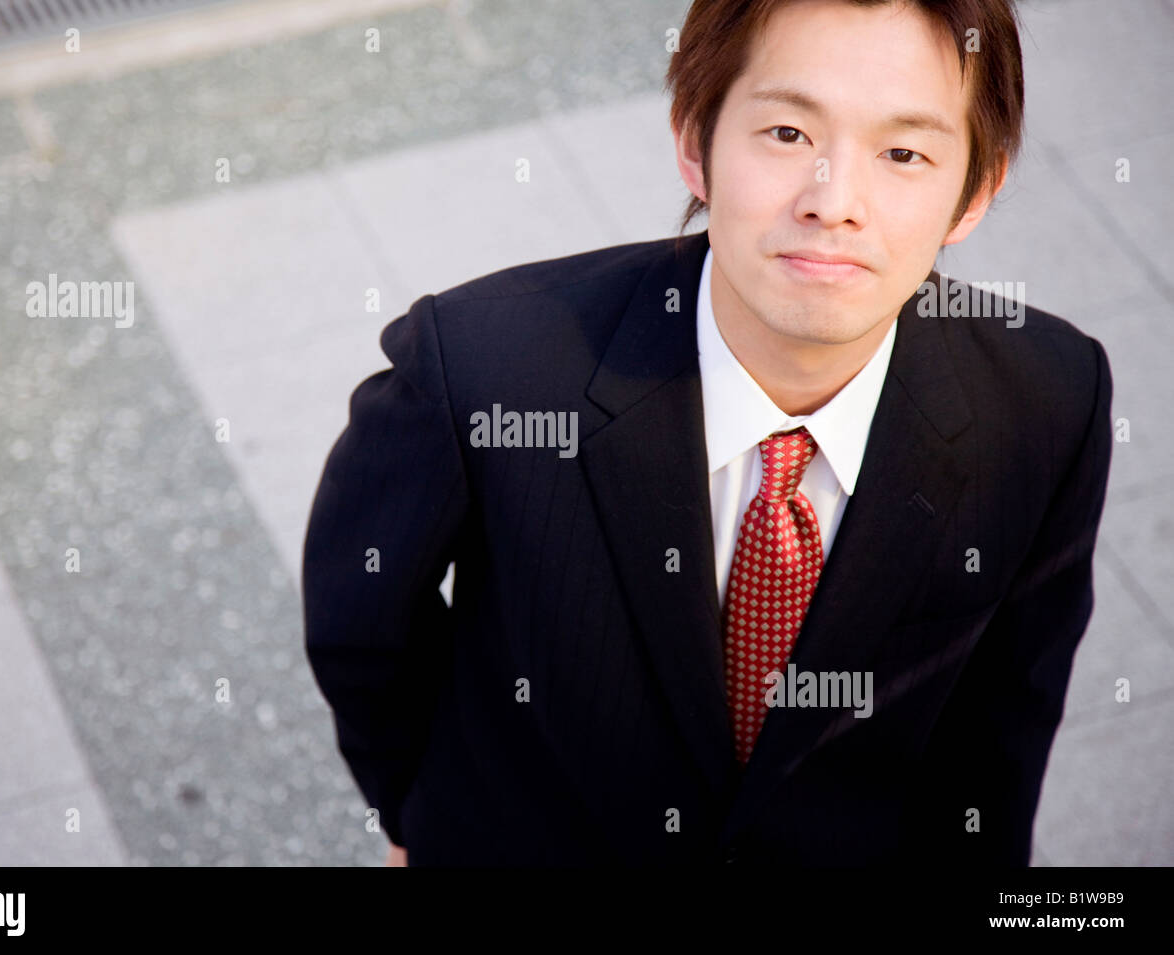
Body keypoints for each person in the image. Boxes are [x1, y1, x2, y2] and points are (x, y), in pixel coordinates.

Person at [302, 0, 1113, 866]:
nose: (834, 203)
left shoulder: (1046, 401)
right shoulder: (479, 370)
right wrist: (422, 819)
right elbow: (362, 625)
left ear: (974, 193)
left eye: (903, 153)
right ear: (696, 142)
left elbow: (1004, 723)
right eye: (788, 134)